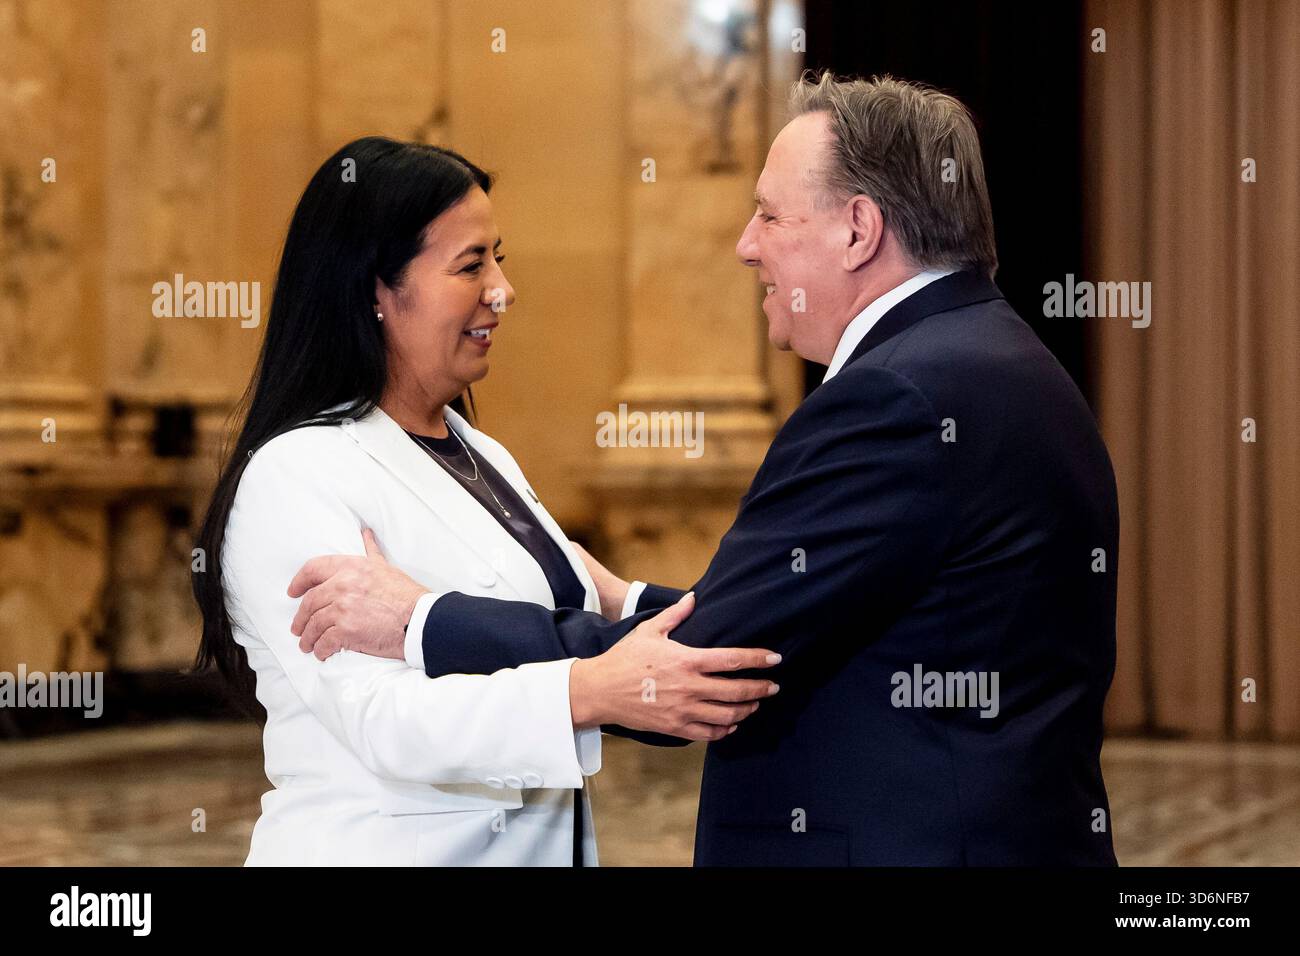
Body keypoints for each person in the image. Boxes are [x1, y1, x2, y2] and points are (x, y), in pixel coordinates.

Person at [293, 74, 1121, 866]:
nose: (744, 246)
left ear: (858, 229)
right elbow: (813, 618)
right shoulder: (994, 358)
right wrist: (629, 599)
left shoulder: (895, 398)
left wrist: (420, 620)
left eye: (769, 215)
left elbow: (700, 667)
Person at [191, 137, 778, 866]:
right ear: (375, 291)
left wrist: (622, 604)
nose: (502, 289)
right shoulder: (296, 472)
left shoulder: (480, 451)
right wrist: (586, 690)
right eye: (471, 265)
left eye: (499, 258)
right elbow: (383, 718)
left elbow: (558, 624)